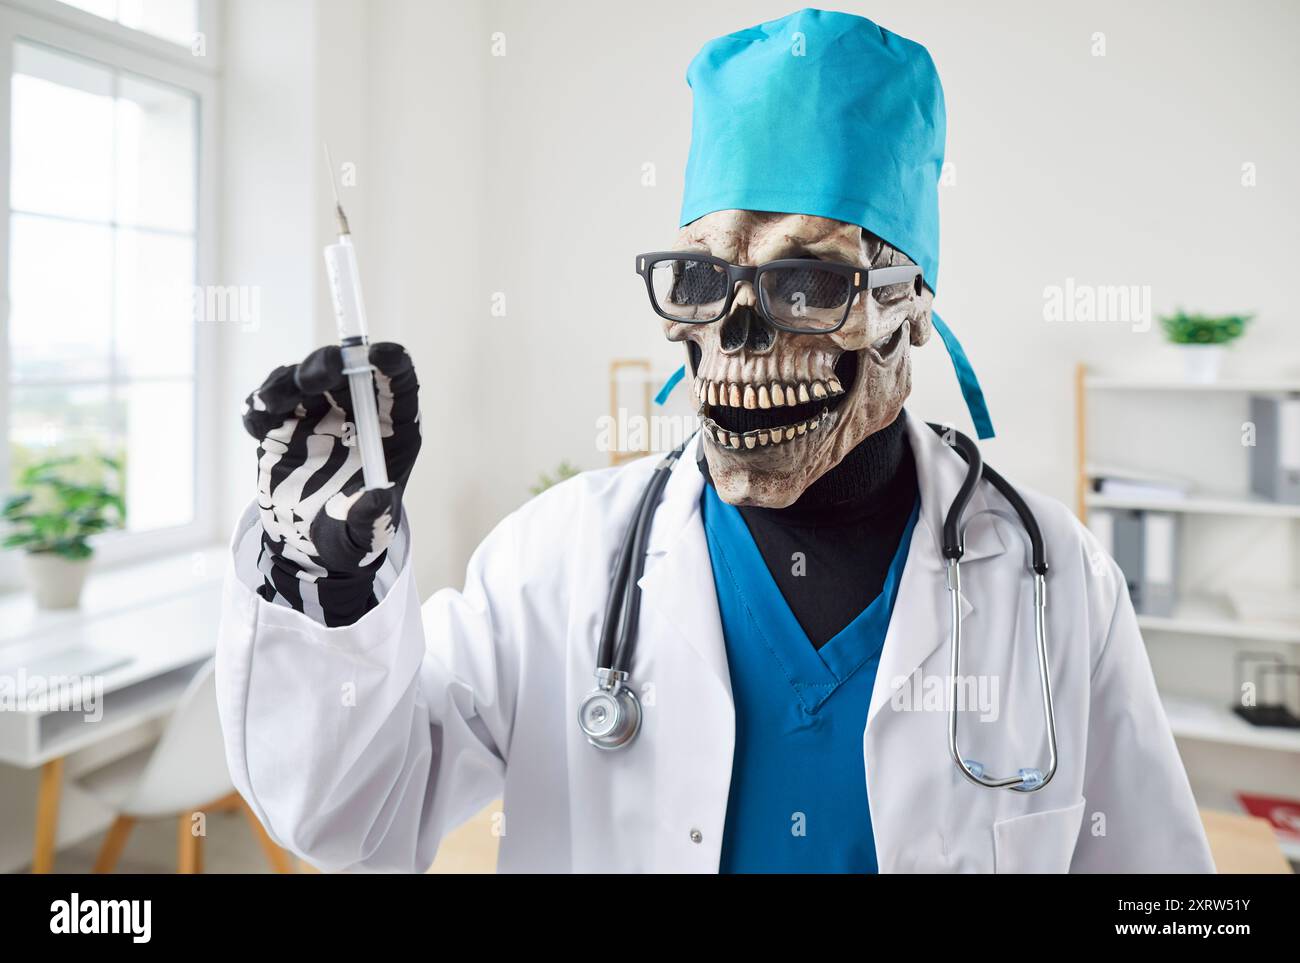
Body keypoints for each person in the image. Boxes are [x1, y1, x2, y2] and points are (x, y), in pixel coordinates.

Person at [216, 9, 1213, 873]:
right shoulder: (554, 565)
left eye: (809, 283)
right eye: (701, 281)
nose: (738, 334)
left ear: (909, 307)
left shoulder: (1055, 584)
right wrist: (328, 583)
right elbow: (350, 820)